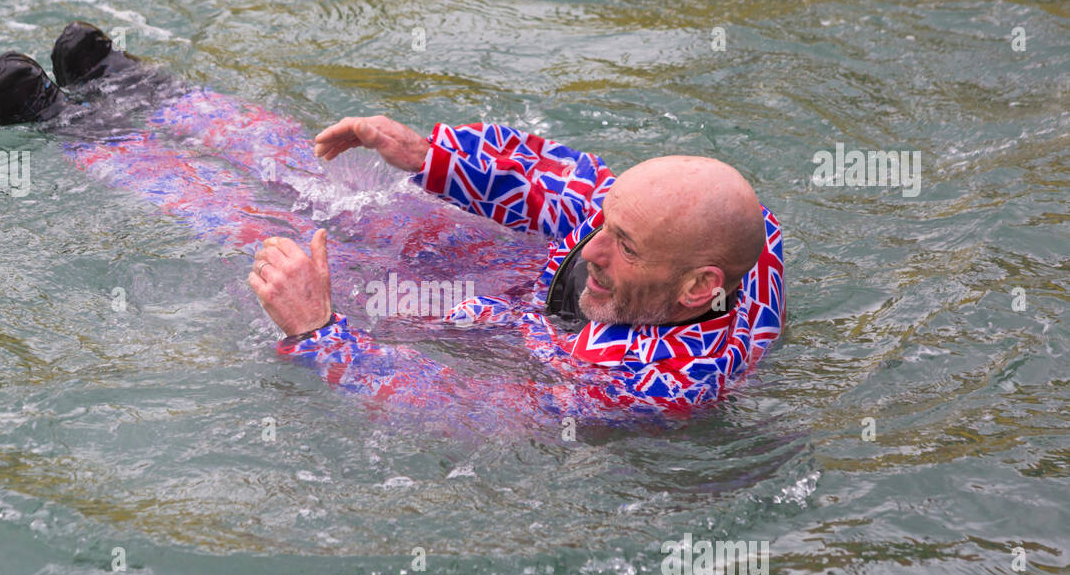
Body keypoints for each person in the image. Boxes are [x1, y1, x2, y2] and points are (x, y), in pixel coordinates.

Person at [247, 117, 785, 415]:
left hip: (498, 331)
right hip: (514, 275)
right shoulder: (730, 229)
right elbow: (571, 185)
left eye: (625, 246)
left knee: (244, 226)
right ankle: (177, 101)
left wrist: (318, 333)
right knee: (315, 183)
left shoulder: (657, 386)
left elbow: (462, 404)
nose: (594, 248)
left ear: (700, 287)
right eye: (606, 224)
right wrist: (429, 157)